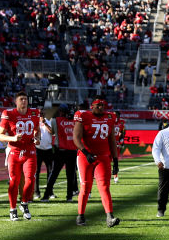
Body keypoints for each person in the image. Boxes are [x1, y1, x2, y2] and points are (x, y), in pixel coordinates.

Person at [0, 92, 49, 221]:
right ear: (16, 101)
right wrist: (13, 138)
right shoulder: (9, 114)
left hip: (29, 151)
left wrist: (37, 138)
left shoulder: (34, 113)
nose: (24, 101)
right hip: (14, 151)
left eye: (25, 99)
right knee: (14, 181)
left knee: (30, 180)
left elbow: (37, 130)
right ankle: (12, 209)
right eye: (21, 99)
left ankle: (24, 203)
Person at [72, 96, 120, 227]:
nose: (100, 107)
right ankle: (80, 215)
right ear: (91, 106)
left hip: (103, 157)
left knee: (104, 186)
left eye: (103, 105)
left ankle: (110, 217)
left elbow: (112, 140)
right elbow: (76, 137)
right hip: (85, 156)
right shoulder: (83, 116)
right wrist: (85, 152)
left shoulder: (109, 117)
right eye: (98, 105)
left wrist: (115, 160)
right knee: (85, 186)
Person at [41, 104, 78, 202]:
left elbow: (52, 132)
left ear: (61, 111)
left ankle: (46, 196)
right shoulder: (75, 122)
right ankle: (69, 197)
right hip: (72, 150)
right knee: (71, 175)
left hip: (60, 150)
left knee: (54, 174)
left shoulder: (55, 120)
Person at [34, 110, 55, 194]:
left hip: (48, 149)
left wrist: (45, 123)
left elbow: (52, 132)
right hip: (38, 149)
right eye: (39, 114)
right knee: (36, 171)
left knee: (50, 171)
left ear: (45, 113)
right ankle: (36, 192)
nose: (41, 115)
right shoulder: (34, 121)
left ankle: (50, 191)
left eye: (42, 113)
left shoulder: (49, 121)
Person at [112, 111, 127, 184]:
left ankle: (115, 176)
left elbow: (122, 133)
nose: (115, 117)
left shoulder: (121, 122)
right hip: (109, 143)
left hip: (116, 143)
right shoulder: (109, 121)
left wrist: (122, 141)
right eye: (114, 115)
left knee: (115, 160)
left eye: (116, 115)